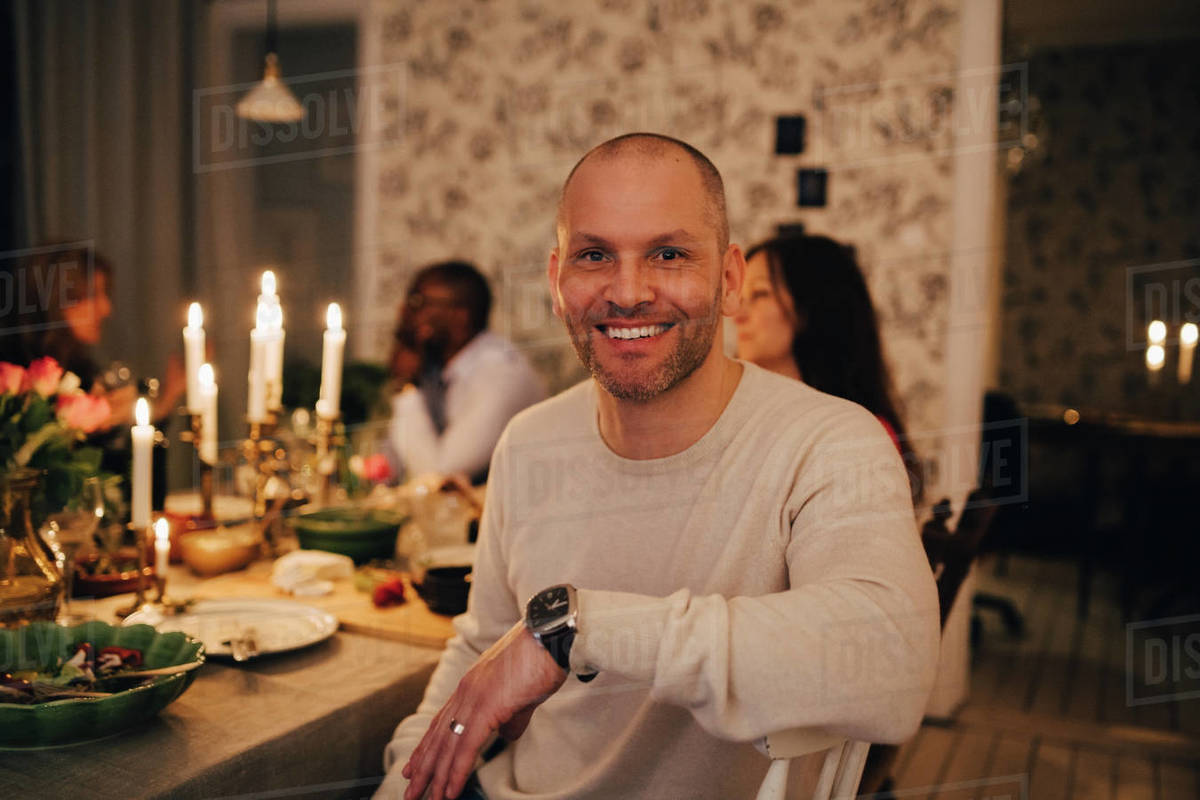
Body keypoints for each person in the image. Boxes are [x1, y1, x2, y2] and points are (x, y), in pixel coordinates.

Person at [377, 134, 939, 800]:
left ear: (729, 281)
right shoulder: (527, 441)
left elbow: (891, 665)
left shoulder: (830, 443)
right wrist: (409, 775)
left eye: (668, 254)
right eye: (594, 255)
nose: (628, 291)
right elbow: (482, 647)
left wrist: (578, 629)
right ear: (558, 283)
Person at [734, 234, 924, 507]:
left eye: (760, 294)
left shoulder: (861, 437)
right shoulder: (742, 419)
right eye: (741, 296)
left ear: (810, 307)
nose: (738, 313)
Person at [387, 260, 545, 485]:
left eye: (418, 302)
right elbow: (394, 465)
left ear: (460, 316)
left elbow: (439, 477)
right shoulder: (436, 367)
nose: (404, 313)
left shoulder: (501, 372)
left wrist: (405, 387)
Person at [0, 244, 183, 427]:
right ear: (56, 300)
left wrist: (166, 400)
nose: (106, 309)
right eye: (92, 295)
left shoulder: (81, 369)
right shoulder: (13, 376)